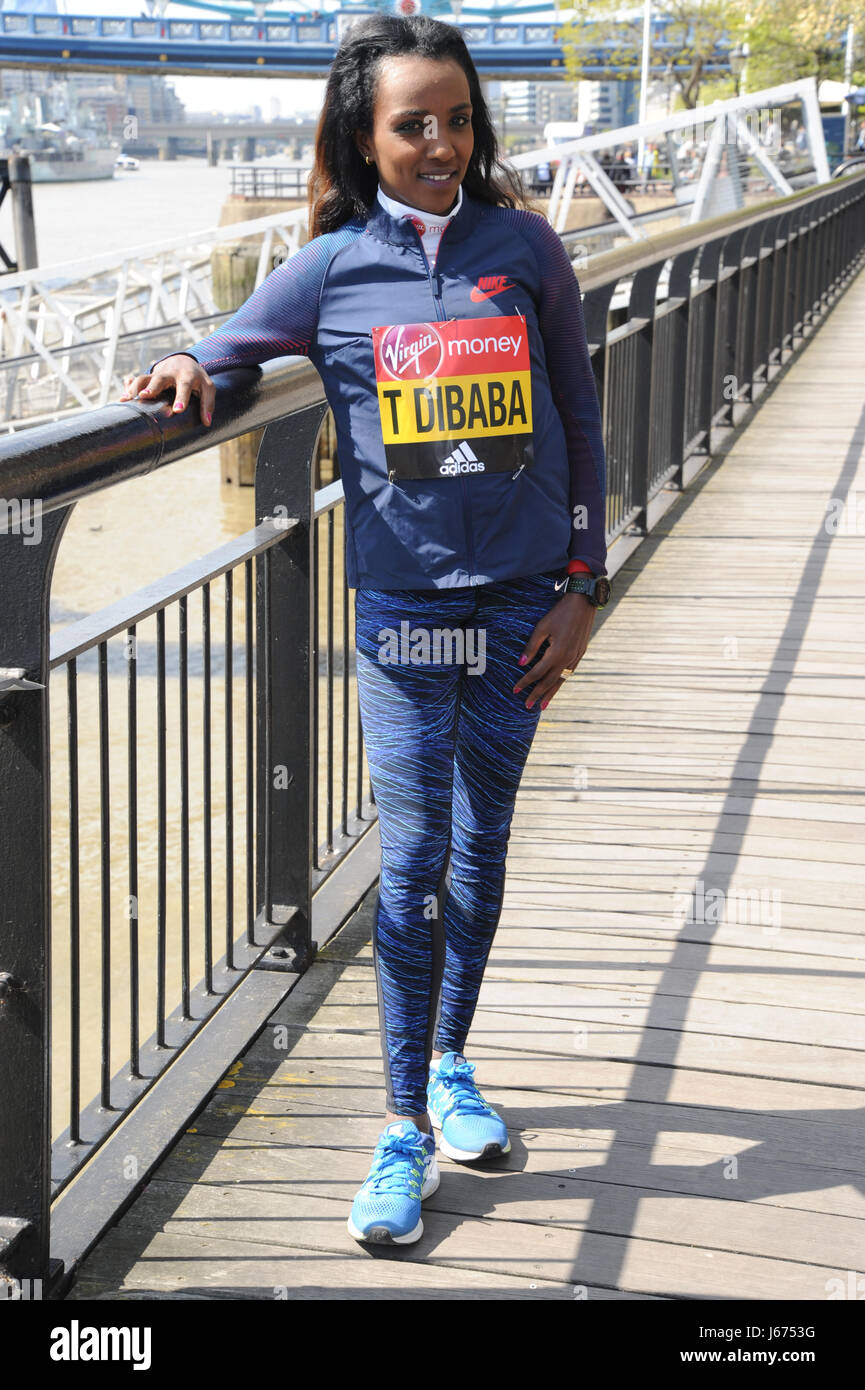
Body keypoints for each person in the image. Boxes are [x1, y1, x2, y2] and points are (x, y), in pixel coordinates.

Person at [118, 13, 608, 1247]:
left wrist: (584, 582)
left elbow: (583, 418)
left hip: (522, 607)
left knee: (482, 846)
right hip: (403, 614)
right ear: (365, 136)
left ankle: (450, 1063)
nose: (439, 142)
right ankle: (400, 1127)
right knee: (412, 862)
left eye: (455, 118)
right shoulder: (334, 267)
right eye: (411, 125)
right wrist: (187, 360)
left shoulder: (526, 248)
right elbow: (226, 348)